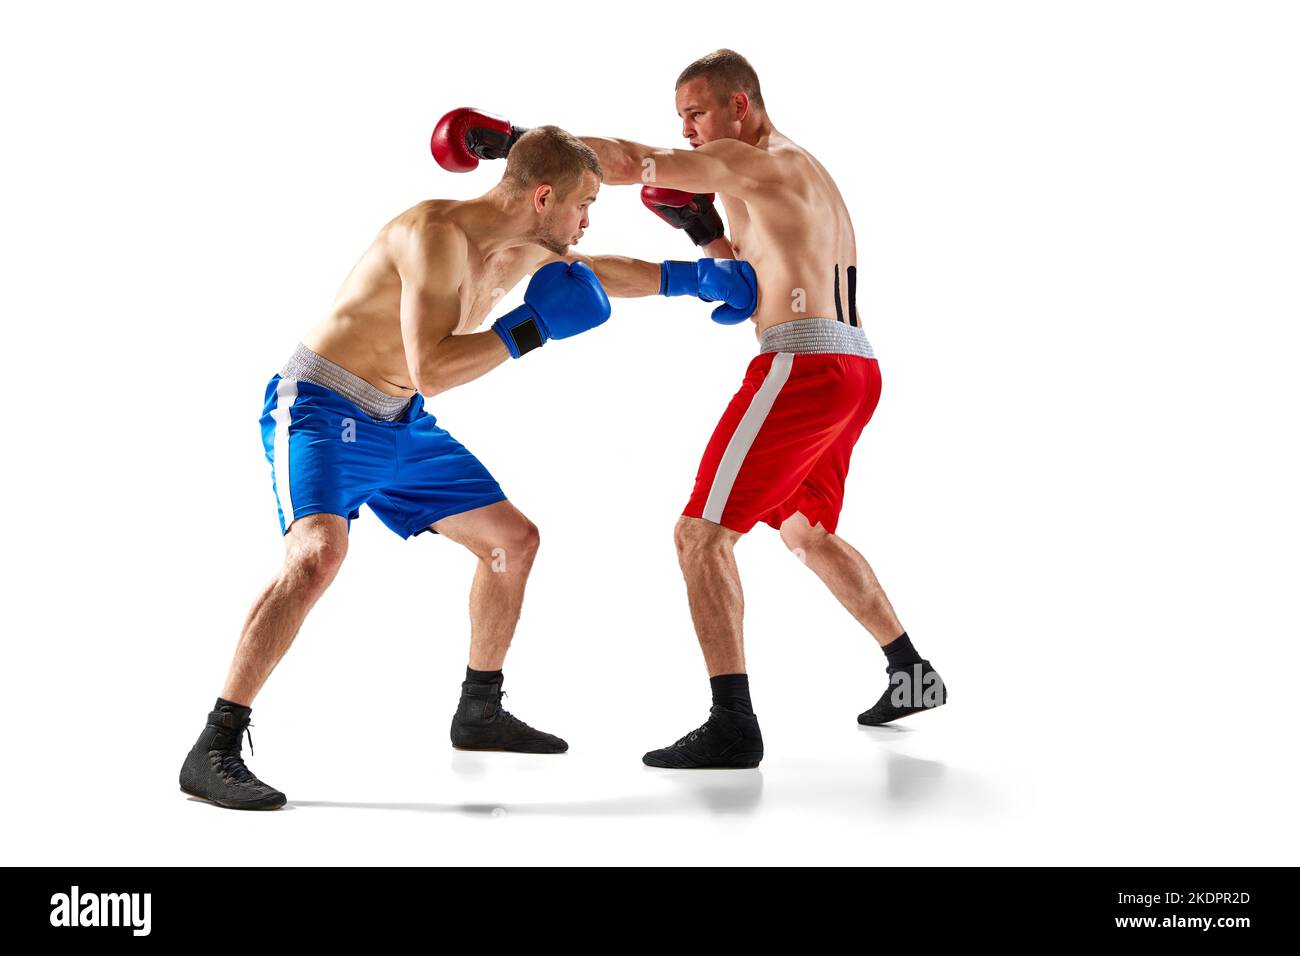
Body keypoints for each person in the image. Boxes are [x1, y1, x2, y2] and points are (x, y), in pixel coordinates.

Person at [181, 124, 759, 809]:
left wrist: (696, 280)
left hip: (400, 424)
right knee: (317, 555)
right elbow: (433, 368)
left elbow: (595, 272)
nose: (587, 220)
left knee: (512, 543)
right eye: (584, 205)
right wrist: (532, 330)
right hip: (320, 408)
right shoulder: (434, 235)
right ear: (543, 197)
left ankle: (479, 710)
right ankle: (215, 742)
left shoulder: (525, 243)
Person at [438, 49, 949, 770]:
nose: (688, 133)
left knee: (699, 536)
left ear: (741, 105)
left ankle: (733, 722)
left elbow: (627, 159)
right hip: (853, 366)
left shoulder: (759, 162)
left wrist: (513, 144)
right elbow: (757, 275)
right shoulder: (795, 175)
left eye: (698, 113)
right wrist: (703, 235)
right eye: (680, 118)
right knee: (805, 532)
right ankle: (910, 670)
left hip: (802, 363)